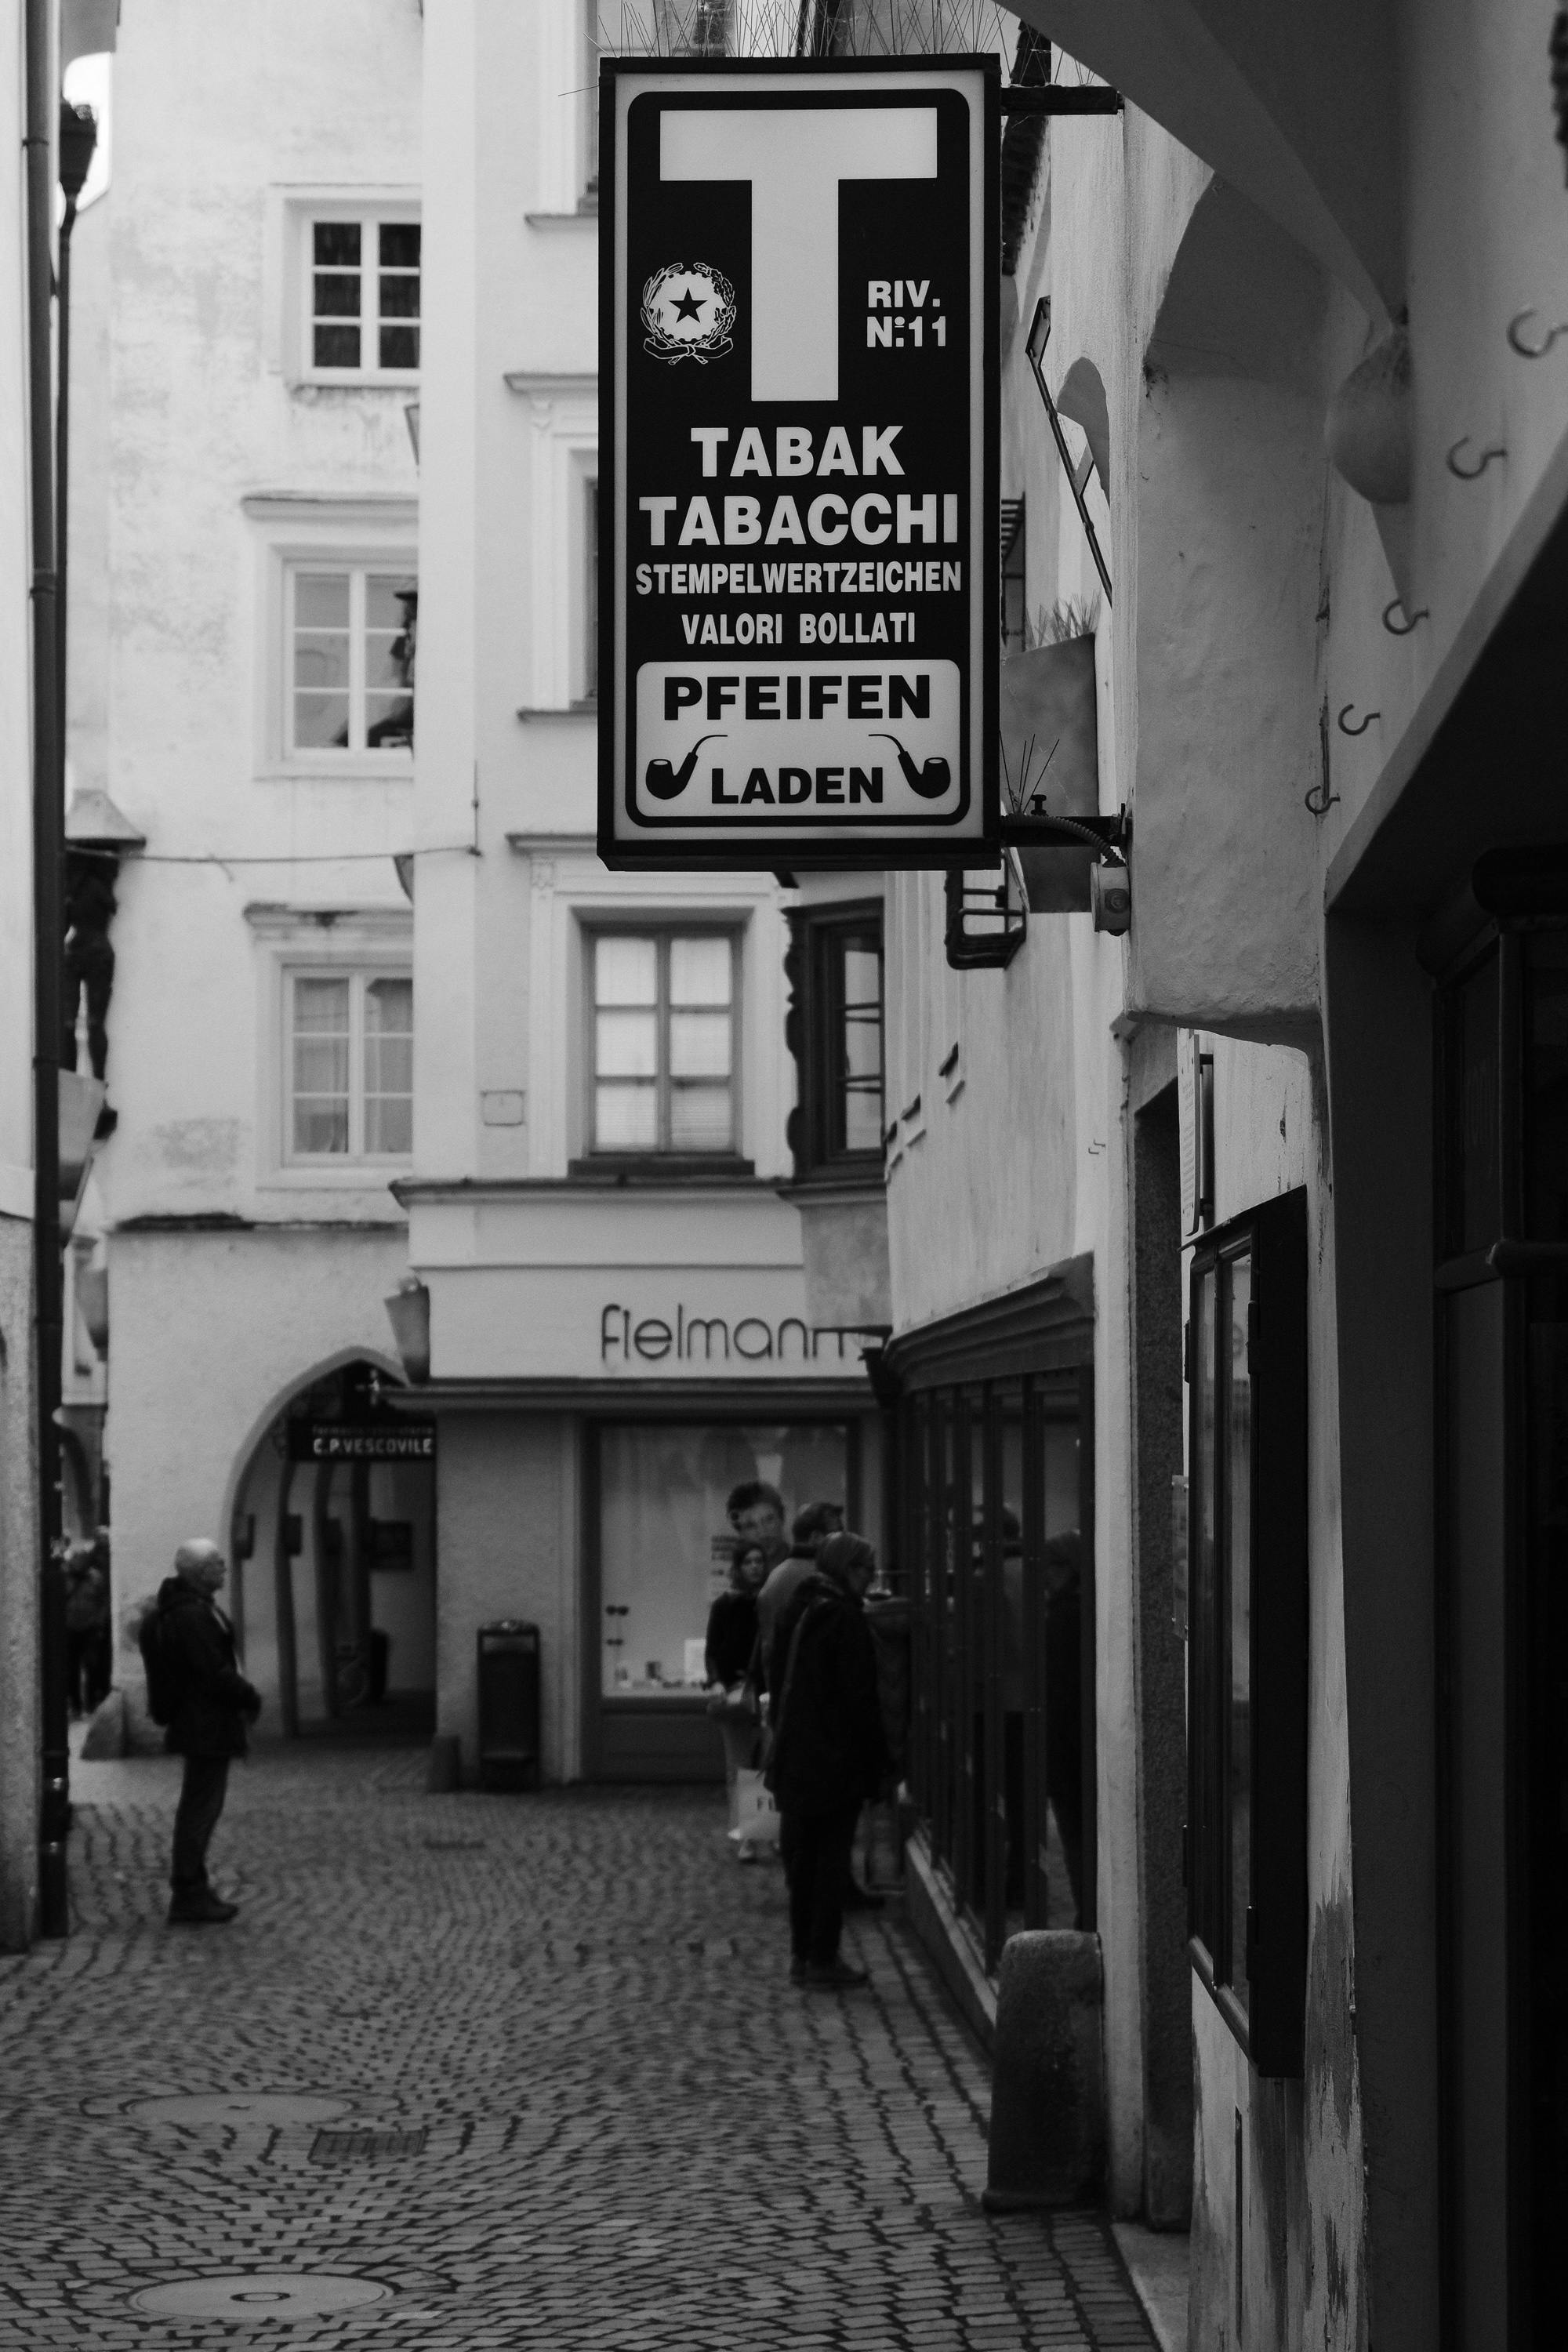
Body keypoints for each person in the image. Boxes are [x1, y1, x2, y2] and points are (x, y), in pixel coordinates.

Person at [766, 1530, 889, 1990]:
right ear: (843, 1568)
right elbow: (860, 1701)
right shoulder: (843, 1619)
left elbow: (777, 1682)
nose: (870, 1578)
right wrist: (877, 1762)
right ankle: (822, 1957)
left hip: (797, 1756)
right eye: (863, 1568)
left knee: (804, 1863)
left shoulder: (797, 1609)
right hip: (833, 1760)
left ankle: (803, 1955)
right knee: (830, 1862)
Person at [151, 1539, 260, 1926]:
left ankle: (194, 1886)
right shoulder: (192, 1616)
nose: (224, 1568)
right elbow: (213, 1672)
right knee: (200, 1808)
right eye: (217, 1563)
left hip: (205, 1722)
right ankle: (188, 1892)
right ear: (199, 1574)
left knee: (201, 1806)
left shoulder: (193, 1610)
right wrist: (248, 1696)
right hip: (205, 1724)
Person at [704, 1539, 768, 1855]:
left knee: (764, 1763)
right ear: (738, 1568)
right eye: (749, 1562)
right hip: (734, 1691)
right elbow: (713, 1650)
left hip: (766, 1693)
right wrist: (716, 1681)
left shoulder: (769, 1603)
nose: (755, 1567)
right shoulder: (725, 1605)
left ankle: (762, 1830)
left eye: (759, 1561)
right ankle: (747, 1836)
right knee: (741, 1765)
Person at [754, 1498, 844, 1698]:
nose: (842, 1543)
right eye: (836, 1535)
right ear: (815, 1538)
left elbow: (768, 1652)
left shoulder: (775, 1579)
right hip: (819, 1698)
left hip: (788, 1698)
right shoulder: (826, 1578)